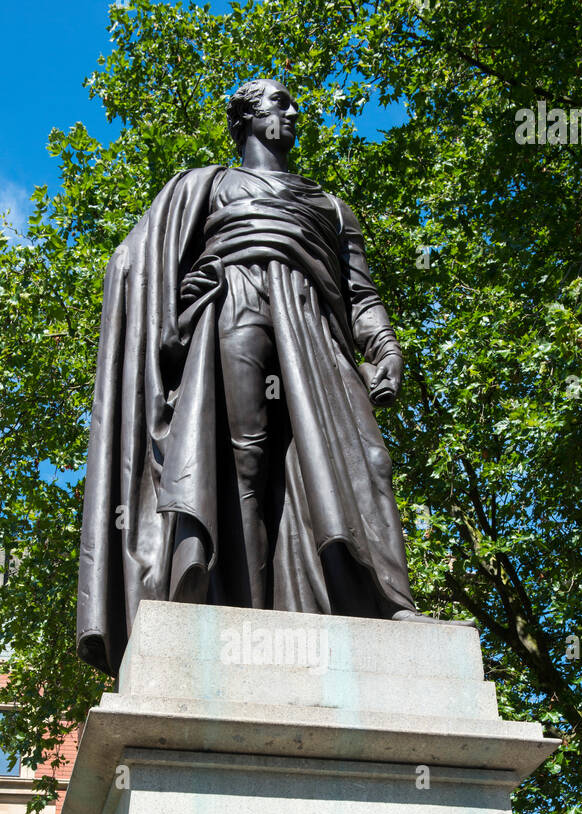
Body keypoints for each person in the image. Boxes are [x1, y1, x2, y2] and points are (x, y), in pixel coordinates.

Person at [77, 77, 419, 678]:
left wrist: (384, 345)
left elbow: (361, 294)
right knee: (245, 460)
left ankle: (385, 600)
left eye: (293, 103)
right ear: (246, 118)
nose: (291, 111)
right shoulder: (205, 186)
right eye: (277, 102)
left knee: (362, 458)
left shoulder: (333, 207)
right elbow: (135, 262)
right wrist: (175, 304)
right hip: (236, 310)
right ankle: (245, 611)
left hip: (314, 332)